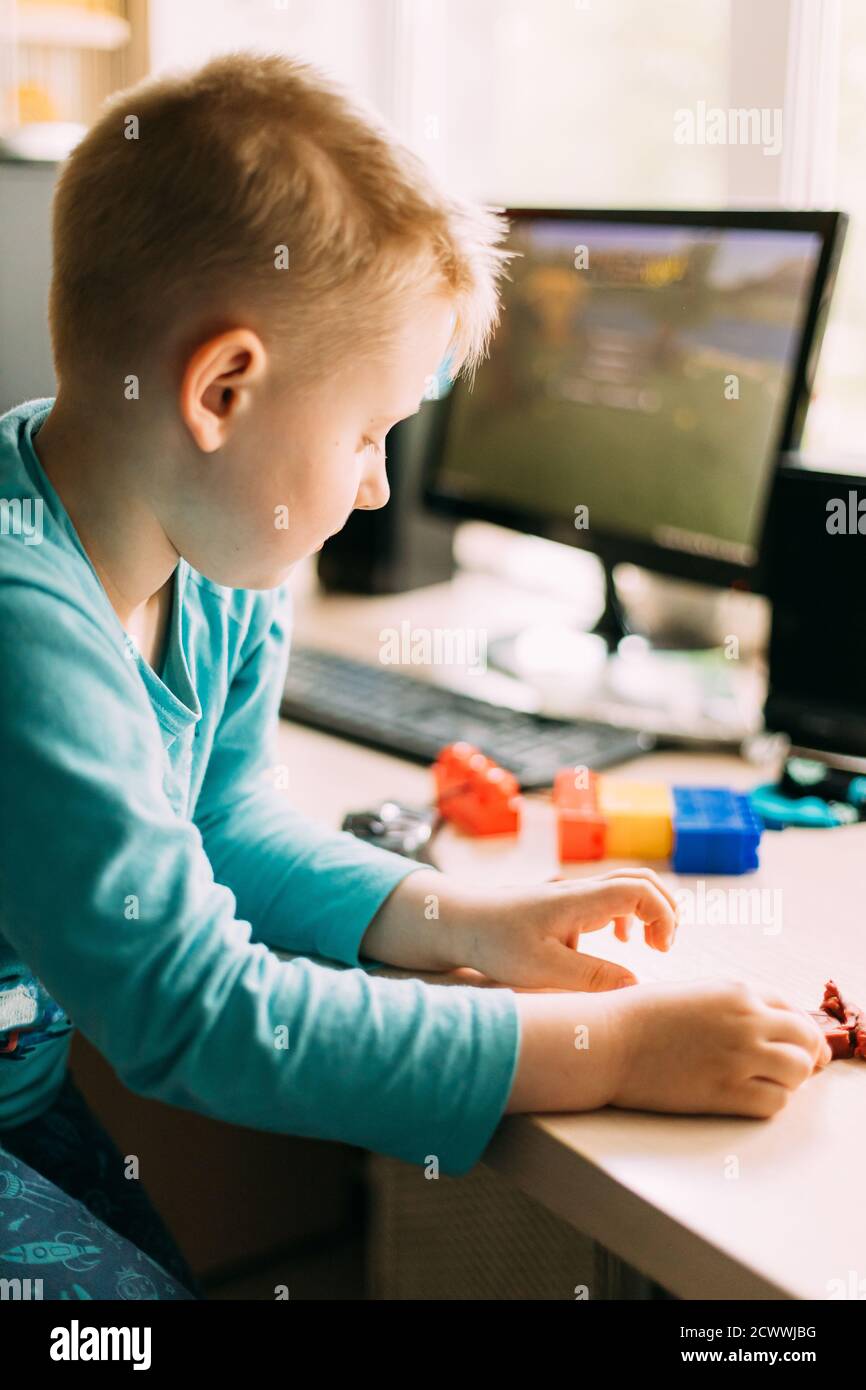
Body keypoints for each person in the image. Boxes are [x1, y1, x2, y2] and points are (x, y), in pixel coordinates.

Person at [0, 52, 831, 1301]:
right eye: (363, 434)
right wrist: (607, 1047)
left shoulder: (217, 559)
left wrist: (467, 921)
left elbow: (220, 820)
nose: (381, 484)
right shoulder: (27, 622)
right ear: (222, 389)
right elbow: (193, 1011)